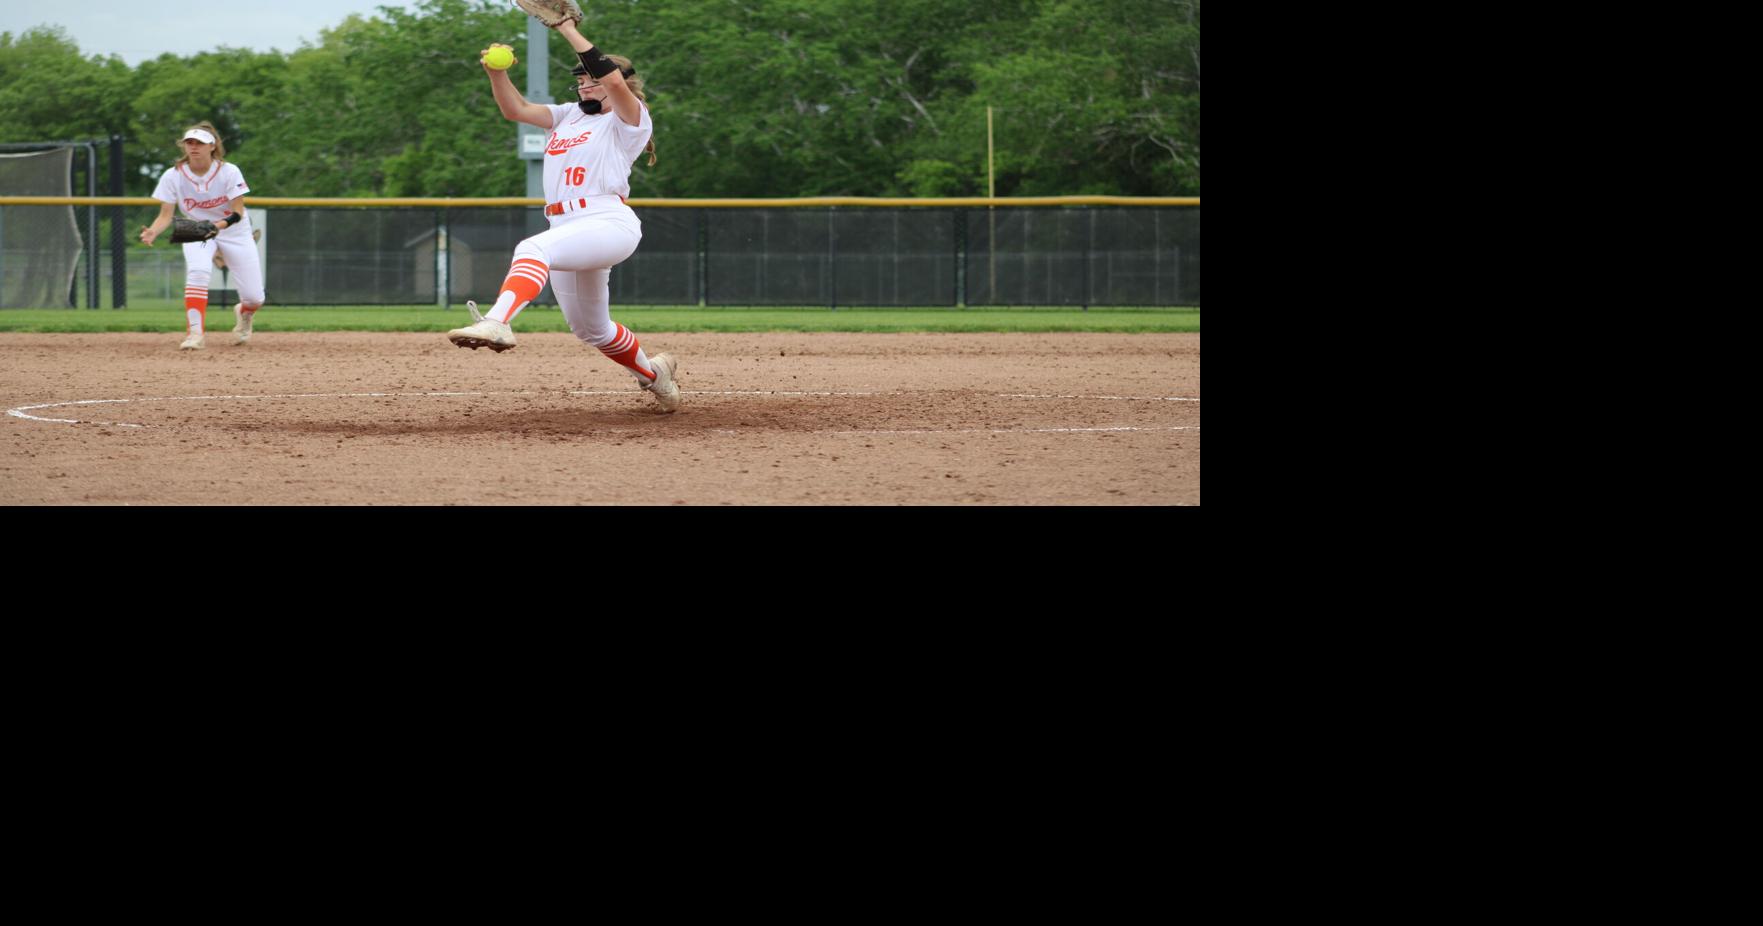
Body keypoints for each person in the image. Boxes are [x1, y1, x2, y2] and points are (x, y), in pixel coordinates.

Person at [447, 16, 679, 412]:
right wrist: (496, 73)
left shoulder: (629, 118)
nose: (584, 85)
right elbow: (516, 110)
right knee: (592, 329)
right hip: (565, 224)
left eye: (591, 80)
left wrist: (567, 29)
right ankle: (656, 377)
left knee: (532, 249)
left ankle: (497, 321)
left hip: (606, 221)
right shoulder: (570, 115)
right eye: (581, 81)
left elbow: (614, 82)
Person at [139, 122, 264, 350]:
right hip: (196, 229)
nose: (194, 147)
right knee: (198, 272)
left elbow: (237, 212)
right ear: (184, 146)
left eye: (200, 143)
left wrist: (217, 226)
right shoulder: (173, 175)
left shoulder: (229, 171)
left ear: (212, 146)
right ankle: (195, 334)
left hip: (234, 230)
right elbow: (165, 215)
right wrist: (153, 231)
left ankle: (245, 313)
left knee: (255, 298)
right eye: (190, 142)